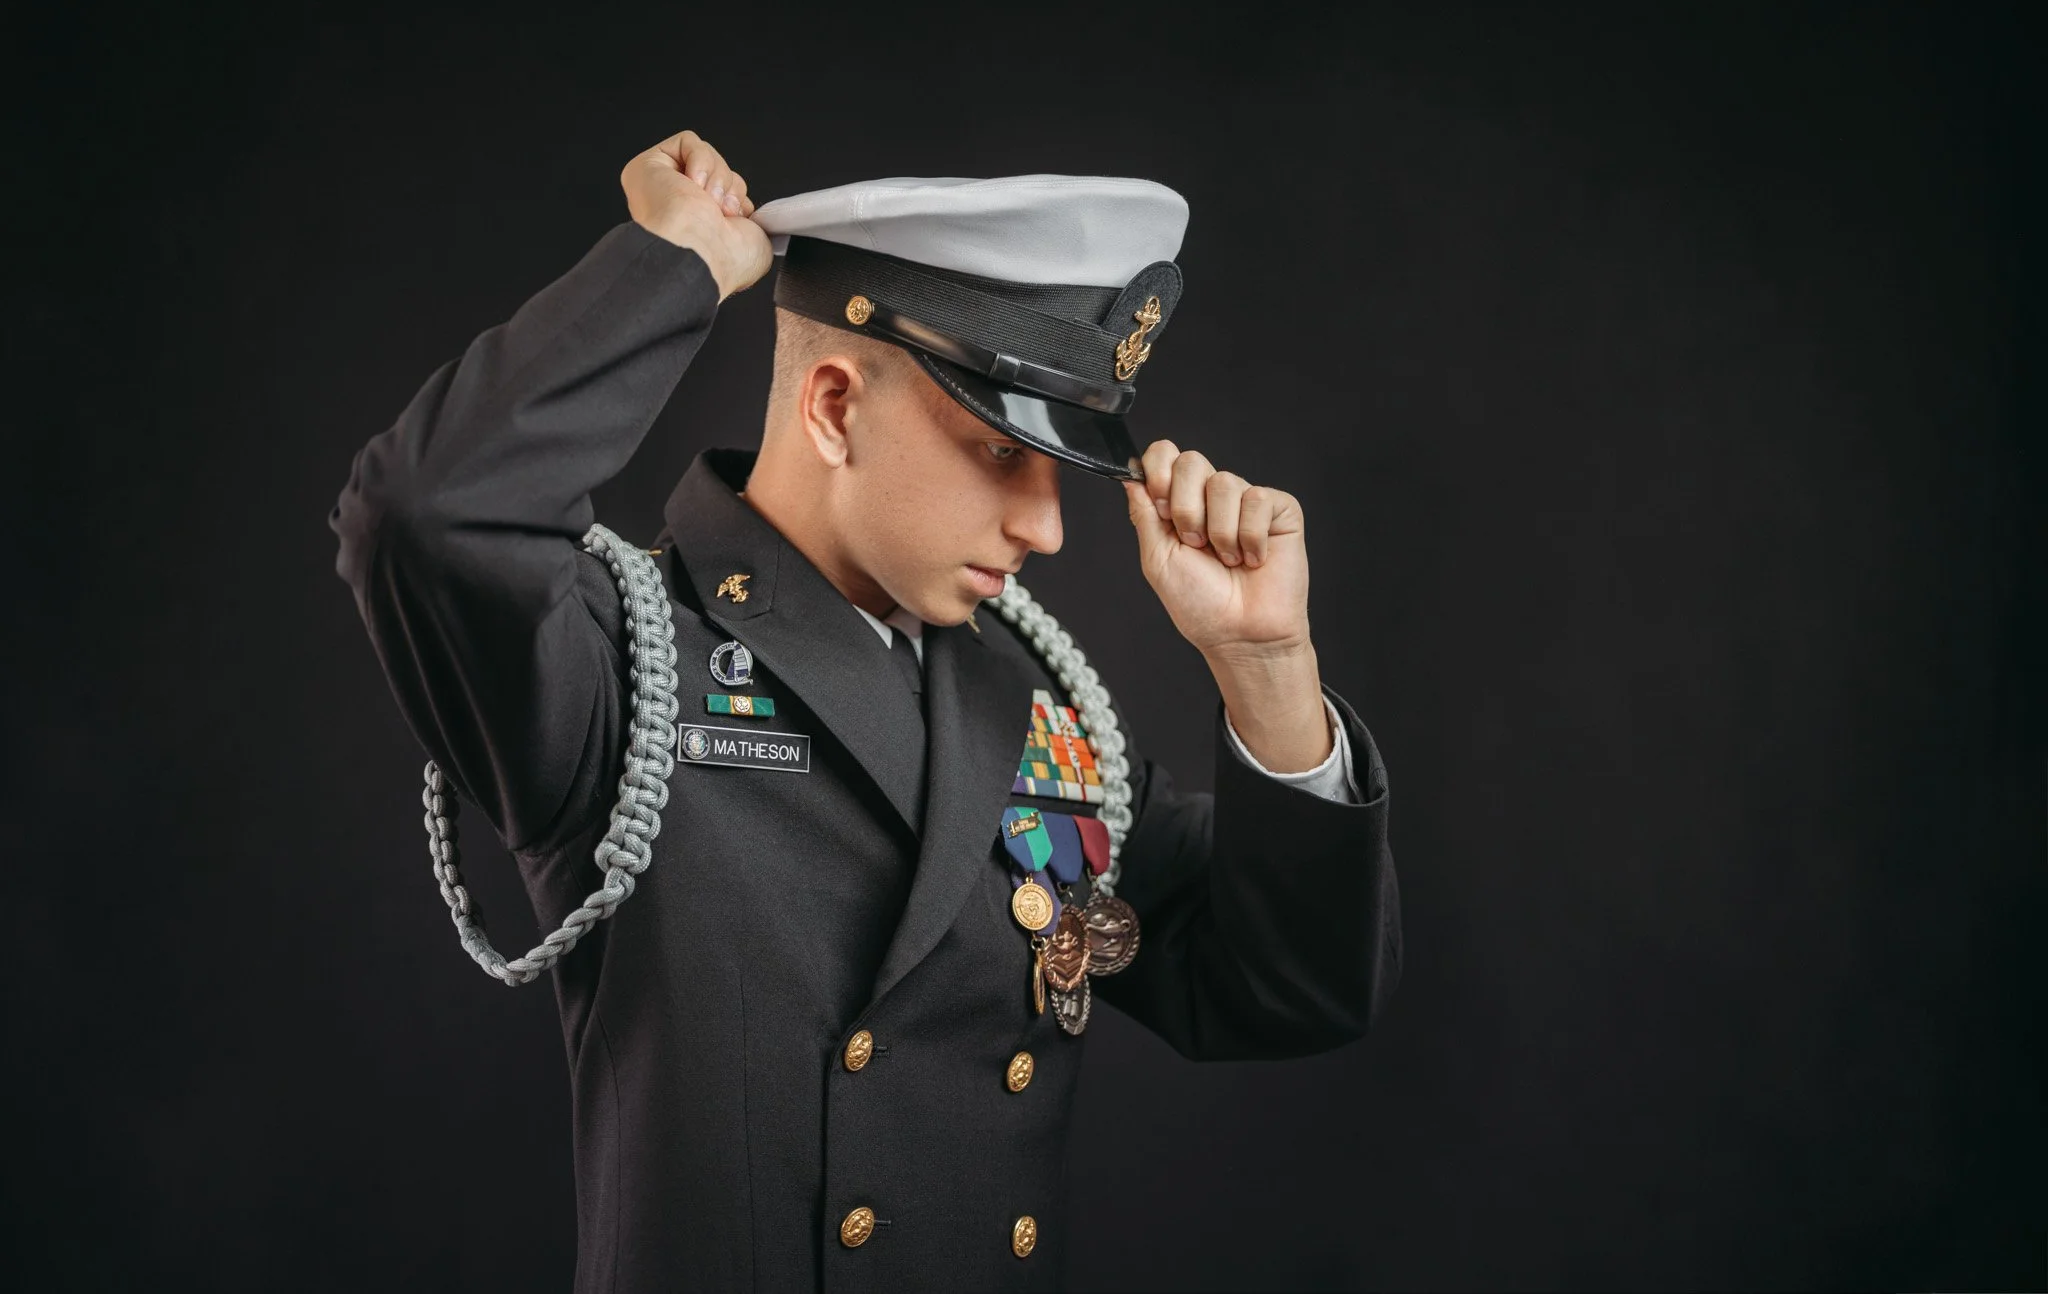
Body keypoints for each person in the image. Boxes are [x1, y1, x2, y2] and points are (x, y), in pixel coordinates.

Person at [331, 128, 1400, 1293]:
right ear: (833, 406)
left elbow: (1288, 985)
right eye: (1002, 451)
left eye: (1063, 467)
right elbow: (429, 516)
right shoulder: (621, 656)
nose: (1047, 528)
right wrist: (672, 265)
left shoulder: (1041, 702)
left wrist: (1266, 663)